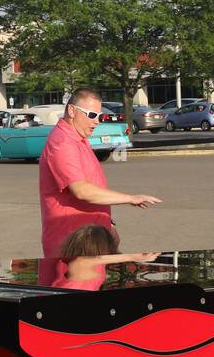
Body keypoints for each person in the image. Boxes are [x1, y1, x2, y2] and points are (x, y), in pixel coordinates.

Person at [38, 88, 160, 258]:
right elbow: (81, 190)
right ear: (72, 111)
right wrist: (131, 198)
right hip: (72, 245)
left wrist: (108, 224)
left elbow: (93, 185)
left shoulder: (79, 138)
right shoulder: (63, 143)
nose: (97, 122)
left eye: (99, 116)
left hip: (90, 242)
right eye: (92, 115)